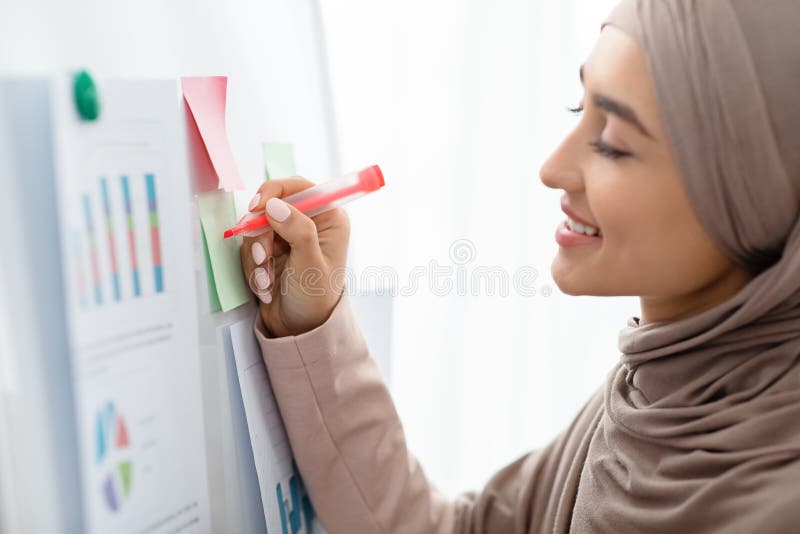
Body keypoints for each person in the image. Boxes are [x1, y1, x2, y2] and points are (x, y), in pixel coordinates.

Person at [239, 0, 800, 531]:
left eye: (611, 141)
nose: (552, 168)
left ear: (753, 192)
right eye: (578, 109)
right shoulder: (641, 398)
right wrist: (313, 320)